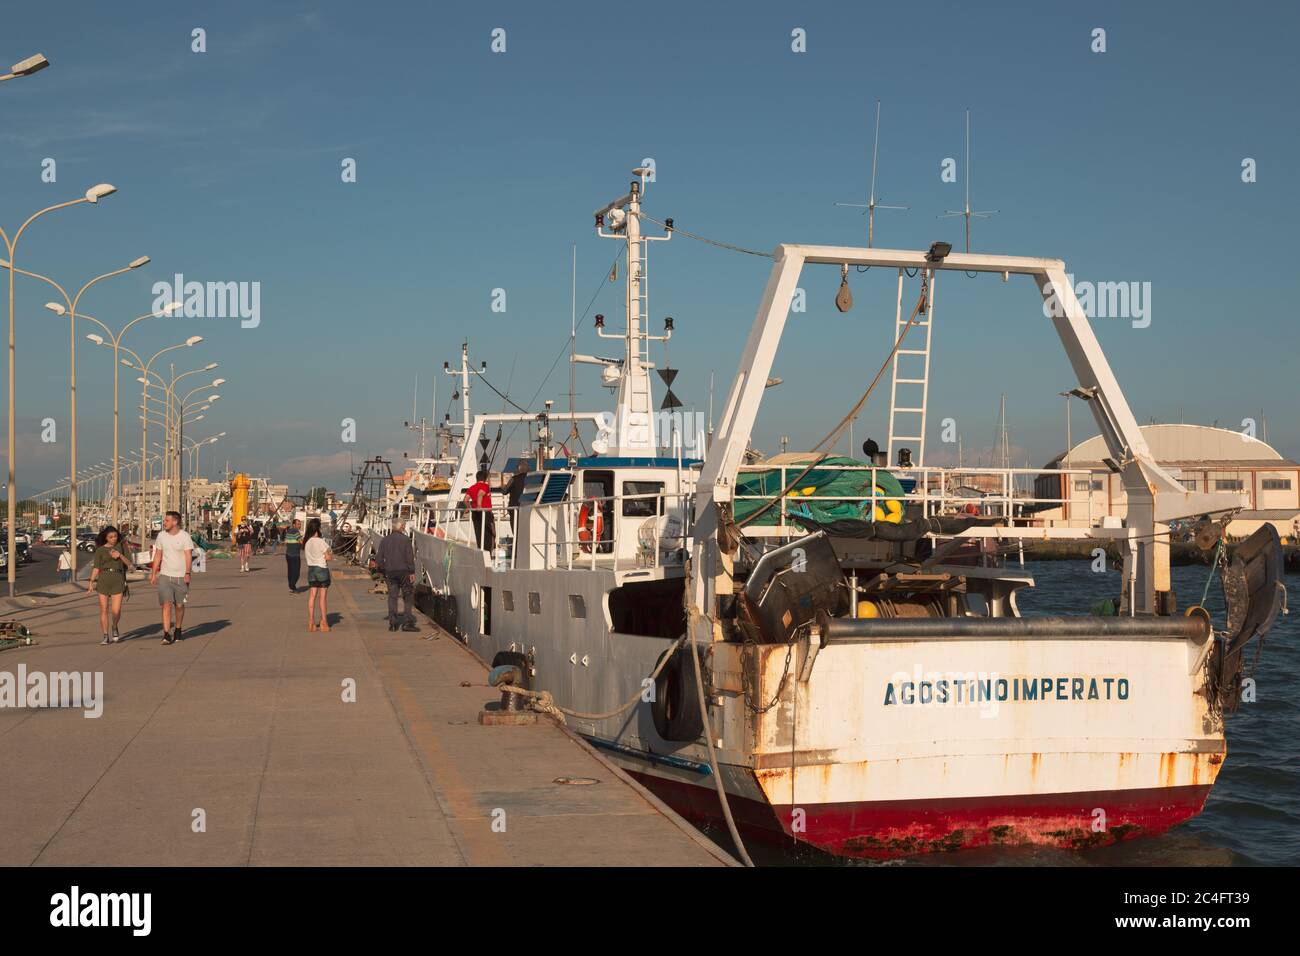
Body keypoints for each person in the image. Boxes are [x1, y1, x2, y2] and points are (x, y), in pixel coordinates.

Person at [150, 511, 193, 645]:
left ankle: (178, 630)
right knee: (166, 604)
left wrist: (187, 573)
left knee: (179, 605)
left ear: (175, 522)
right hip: (165, 576)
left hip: (181, 576)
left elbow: (188, 556)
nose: (164, 523)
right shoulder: (161, 536)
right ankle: (166, 634)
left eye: (167, 520)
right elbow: (158, 555)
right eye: (165, 520)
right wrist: (153, 573)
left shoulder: (185, 536)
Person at [87, 526, 132, 644]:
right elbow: (96, 568)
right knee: (104, 609)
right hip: (103, 580)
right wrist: (91, 582)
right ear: (106, 538)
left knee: (116, 611)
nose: (113, 539)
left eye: (115, 536)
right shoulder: (100, 550)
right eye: (111, 537)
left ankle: (114, 626)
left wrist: (120, 555)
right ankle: (105, 636)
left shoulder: (122, 546)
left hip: (118, 579)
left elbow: (130, 564)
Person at [377, 517, 419, 632]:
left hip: (390, 572)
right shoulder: (406, 540)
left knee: (392, 597)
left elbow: (379, 559)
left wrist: (384, 569)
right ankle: (407, 623)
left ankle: (393, 623)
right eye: (404, 525)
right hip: (404, 572)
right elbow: (409, 558)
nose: (404, 527)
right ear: (401, 526)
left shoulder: (385, 540)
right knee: (407, 596)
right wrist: (412, 572)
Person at [303, 517, 333, 632]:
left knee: (312, 596)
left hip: (311, 570)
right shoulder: (320, 542)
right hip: (321, 570)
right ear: (318, 529)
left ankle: (311, 622)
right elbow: (328, 557)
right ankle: (324, 623)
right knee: (322, 598)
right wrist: (329, 554)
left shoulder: (307, 542)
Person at [464, 468, 495, 550]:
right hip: (485, 512)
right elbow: (480, 494)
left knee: (479, 534)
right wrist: (479, 505)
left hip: (475, 513)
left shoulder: (471, 488)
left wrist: (469, 507)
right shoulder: (486, 486)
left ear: (476, 478)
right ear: (484, 478)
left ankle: (481, 551)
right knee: (491, 533)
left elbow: (466, 500)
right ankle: (490, 553)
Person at [283, 518, 303, 592]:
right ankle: (292, 585)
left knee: (290, 571)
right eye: (298, 524)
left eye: (300, 524)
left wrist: (291, 543)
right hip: (295, 554)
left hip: (288, 554)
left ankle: (291, 586)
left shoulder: (289, 531)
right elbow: (301, 542)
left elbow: (285, 542)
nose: (299, 525)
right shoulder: (296, 531)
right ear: (294, 525)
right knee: (296, 572)